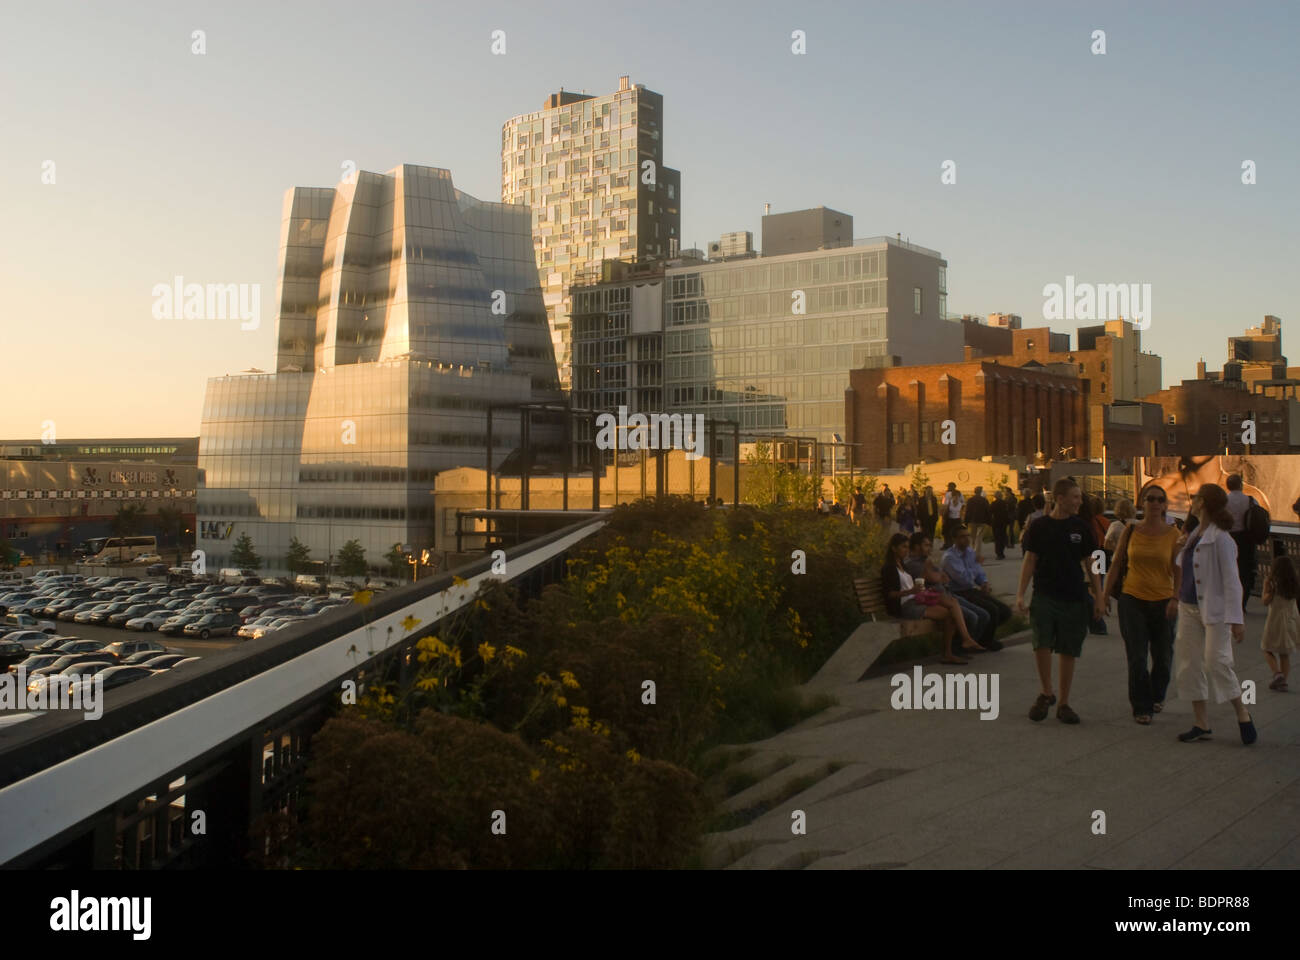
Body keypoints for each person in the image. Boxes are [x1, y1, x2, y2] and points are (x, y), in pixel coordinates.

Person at [1016, 478, 1105, 724]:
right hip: (1044, 593)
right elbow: (1030, 560)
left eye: (1080, 497)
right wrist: (1020, 593)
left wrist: (1099, 596)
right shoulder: (1039, 526)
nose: (1079, 502)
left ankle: (1064, 703)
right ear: (1060, 498)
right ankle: (1046, 692)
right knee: (1041, 643)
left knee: (1068, 649)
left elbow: (1092, 563)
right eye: (1075, 497)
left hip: (1074, 596)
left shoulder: (1081, 528)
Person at [1172, 484, 1256, 744]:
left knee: (1216, 661)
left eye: (1196, 498)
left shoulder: (1222, 539)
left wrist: (1237, 621)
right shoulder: (1195, 533)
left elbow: (1233, 581)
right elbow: (1179, 568)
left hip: (1214, 610)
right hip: (1188, 606)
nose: (1192, 501)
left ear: (1204, 503)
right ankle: (1201, 722)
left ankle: (1242, 712)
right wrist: (1179, 547)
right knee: (1189, 662)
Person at [1103, 487, 1180, 724]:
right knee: (1136, 656)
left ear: (1165, 505)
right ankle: (1141, 706)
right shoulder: (1131, 529)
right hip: (1132, 598)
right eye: (1150, 499)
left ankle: (1157, 695)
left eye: (1160, 500)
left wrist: (1176, 598)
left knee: (1163, 657)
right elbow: (1116, 563)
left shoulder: (1173, 534)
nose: (1155, 504)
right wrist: (1104, 594)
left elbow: (1178, 570)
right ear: (1142, 503)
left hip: (1163, 600)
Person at [881, 533, 979, 664]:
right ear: (894, 548)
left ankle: (948, 653)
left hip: (916, 600)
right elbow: (889, 594)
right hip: (905, 607)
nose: (906, 550)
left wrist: (921, 589)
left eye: (907, 547)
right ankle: (958, 645)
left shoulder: (903, 565)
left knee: (950, 614)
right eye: (903, 547)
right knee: (951, 607)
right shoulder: (889, 568)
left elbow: (917, 583)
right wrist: (911, 591)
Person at [905, 532, 989, 652]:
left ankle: (969, 644)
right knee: (972, 617)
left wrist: (938, 575)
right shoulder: (913, 563)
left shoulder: (925, 561)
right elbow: (936, 577)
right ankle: (960, 647)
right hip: (936, 600)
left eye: (930, 545)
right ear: (917, 546)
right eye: (926, 545)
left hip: (947, 595)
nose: (929, 548)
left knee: (982, 614)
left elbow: (944, 577)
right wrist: (937, 574)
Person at [942, 524, 1011, 651]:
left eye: (967, 536)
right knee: (991, 610)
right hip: (959, 592)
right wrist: (976, 564)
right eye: (962, 537)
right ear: (954, 540)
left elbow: (979, 572)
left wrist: (984, 582)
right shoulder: (950, 558)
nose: (967, 539)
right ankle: (984, 641)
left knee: (1005, 611)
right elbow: (965, 580)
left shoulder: (969, 552)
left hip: (971, 590)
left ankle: (983, 637)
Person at [1260, 555, 1297, 693]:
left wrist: (1271, 591)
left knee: (1266, 648)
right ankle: (1283, 682)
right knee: (1284, 653)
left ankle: (1277, 674)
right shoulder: (1295, 582)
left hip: (1275, 620)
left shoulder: (1270, 581)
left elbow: (1264, 601)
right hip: (1291, 620)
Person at [1224, 473, 1257, 615]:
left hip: (1228, 537)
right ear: (1241, 485)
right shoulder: (1250, 500)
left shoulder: (1224, 501)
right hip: (1246, 539)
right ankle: (1242, 604)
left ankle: (1230, 604)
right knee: (1246, 572)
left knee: (1230, 570)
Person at [964, 486, 991, 561]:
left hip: (972, 521)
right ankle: (977, 553)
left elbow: (967, 512)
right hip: (982, 521)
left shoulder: (970, 500)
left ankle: (972, 552)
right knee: (979, 538)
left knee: (972, 538)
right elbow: (988, 511)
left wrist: (966, 522)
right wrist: (989, 522)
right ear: (980, 492)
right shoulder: (984, 500)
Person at [941, 483, 965, 548]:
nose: (948, 487)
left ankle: (953, 544)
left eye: (950, 486)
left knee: (954, 532)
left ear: (953, 487)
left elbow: (963, 503)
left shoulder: (958, 493)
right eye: (948, 486)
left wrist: (960, 510)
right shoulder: (947, 494)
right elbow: (944, 504)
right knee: (946, 531)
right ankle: (947, 544)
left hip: (956, 517)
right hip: (949, 516)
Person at [989, 489, 1011, 560]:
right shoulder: (1005, 503)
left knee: (997, 538)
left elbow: (990, 512)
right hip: (1003, 522)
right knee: (1002, 536)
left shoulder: (993, 503)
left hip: (996, 522)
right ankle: (1001, 552)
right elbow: (1007, 512)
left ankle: (998, 553)